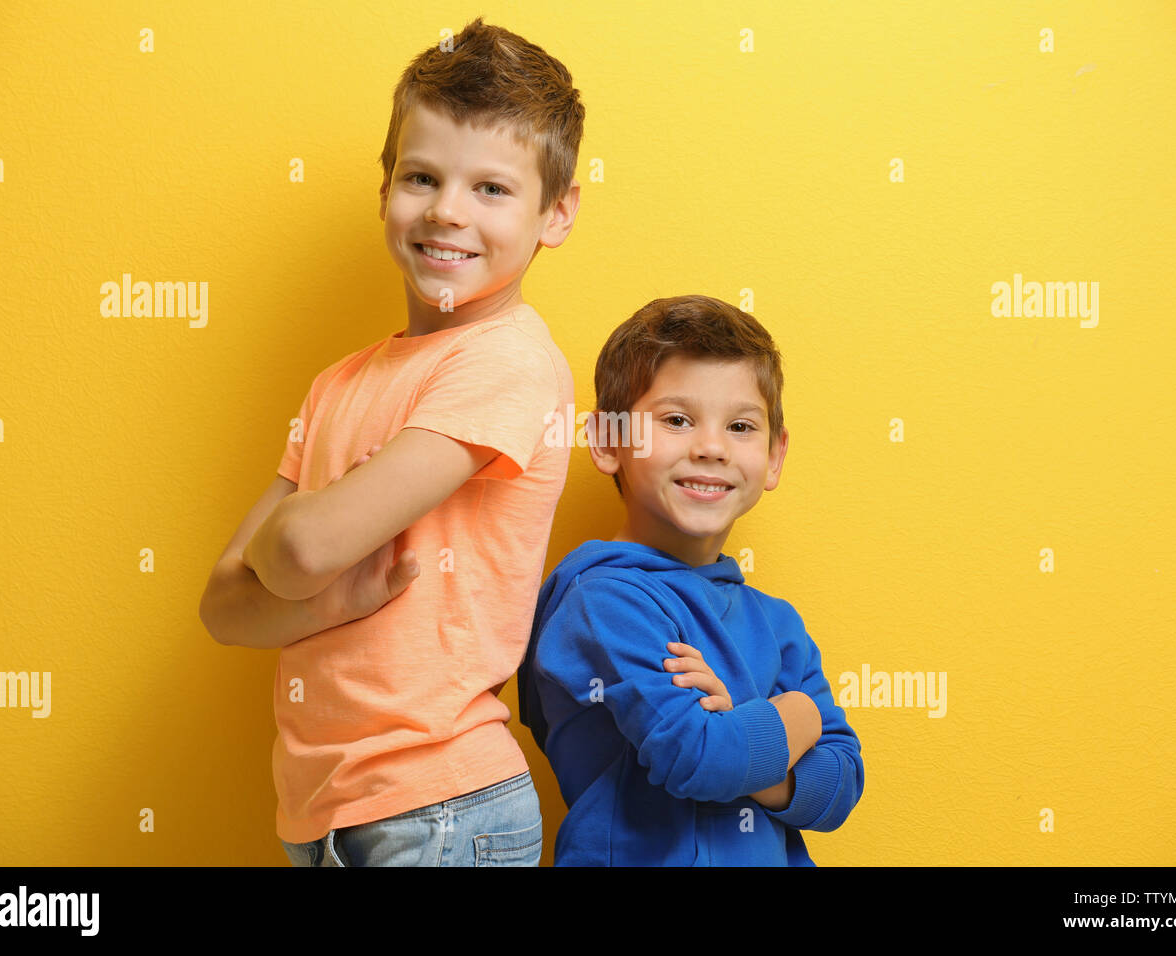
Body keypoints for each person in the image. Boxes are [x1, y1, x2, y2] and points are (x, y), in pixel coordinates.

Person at [198, 17, 584, 866]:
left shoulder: (508, 359)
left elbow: (298, 546)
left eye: (492, 188)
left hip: (443, 806)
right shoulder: (338, 384)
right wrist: (335, 600)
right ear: (385, 189)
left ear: (557, 213)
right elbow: (222, 608)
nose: (447, 210)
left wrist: (303, 550)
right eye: (422, 176)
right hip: (323, 808)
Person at [519, 295, 864, 865]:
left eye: (740, 426)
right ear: (607, 441)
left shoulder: (776, 621)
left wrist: (746, 739)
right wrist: (795, 713)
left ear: (775, 456)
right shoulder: (603, 601)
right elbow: (699, 759)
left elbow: (840, 785)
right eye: (677, 420)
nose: (710, 447)